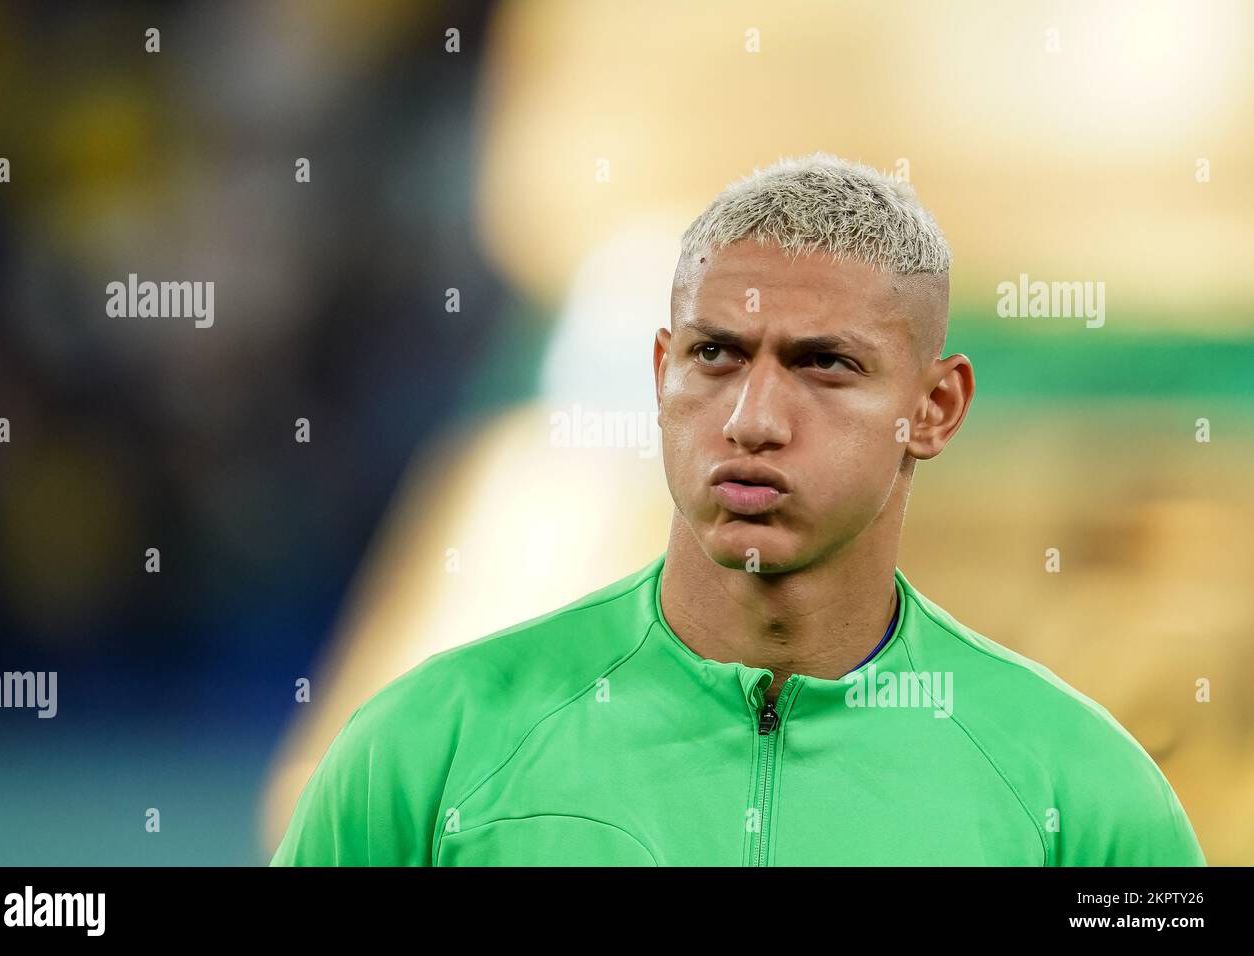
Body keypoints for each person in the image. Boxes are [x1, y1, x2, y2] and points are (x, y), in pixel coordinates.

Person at [270, 152, 1205, 866]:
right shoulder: (428, 746)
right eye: (715, 357)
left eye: (823, 364)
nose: (752, 419)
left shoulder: (1083, 794)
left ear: (934, 410)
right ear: (659, 374)